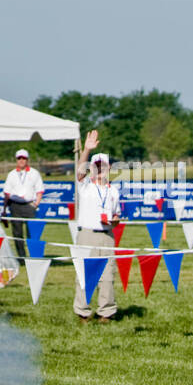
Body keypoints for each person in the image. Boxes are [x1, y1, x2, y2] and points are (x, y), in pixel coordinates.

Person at [73, 129, 121, 322]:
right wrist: (86, 149)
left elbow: (116, 214)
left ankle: (106, 312)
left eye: (104, 167)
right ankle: (83, 311)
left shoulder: (114, 190)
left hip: (106, 235)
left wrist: (115, 220)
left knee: (108, 274)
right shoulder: (85, 186)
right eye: (97, 167)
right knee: (84, 273)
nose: (100, 170)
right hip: (87, 235)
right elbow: (79, 172)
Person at [2, 148, 45, 261]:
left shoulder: (34, 173)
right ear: (16, 160)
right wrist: (4, 209)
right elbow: (6, 193)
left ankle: (33, 256)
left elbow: (40, 190)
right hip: (15, 205)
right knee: (17, 233)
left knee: (32, 232)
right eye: (19, 158)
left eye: (24, 158)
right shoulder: (11, 174)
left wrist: (36, 204)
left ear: (27, 160)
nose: (21, 160)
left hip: (29, 205)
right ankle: (21, 257)